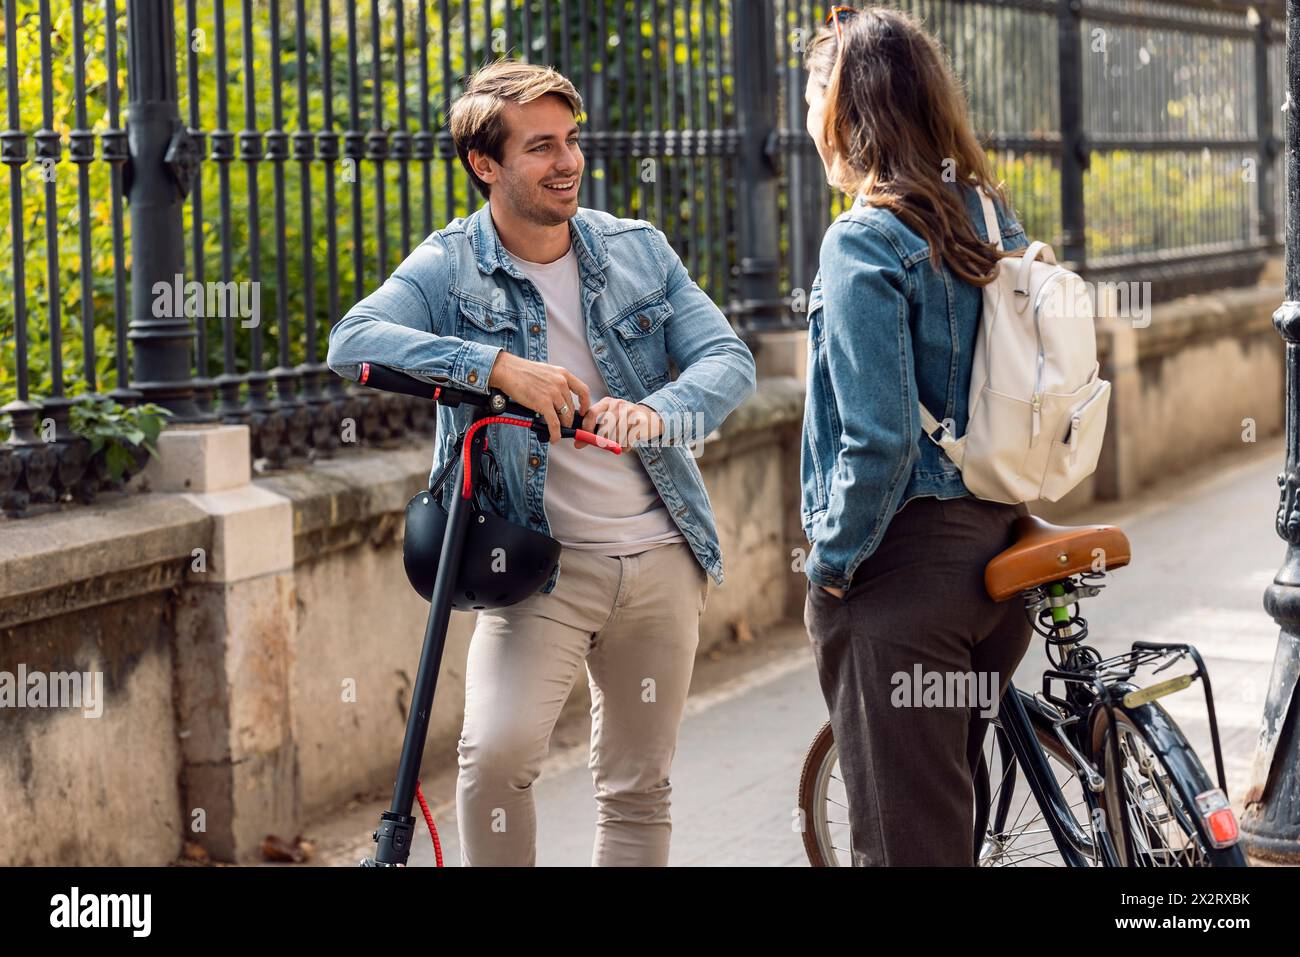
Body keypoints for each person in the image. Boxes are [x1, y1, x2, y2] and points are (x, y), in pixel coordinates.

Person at [327, 59, 755, 866]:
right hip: (535, 567)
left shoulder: (636, 250)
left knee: (637, 786)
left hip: (663, 555)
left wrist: (657, 411)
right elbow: (352, 343)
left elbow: (727, 361)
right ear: (484, 165)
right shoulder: (450, 265)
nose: (567, 163)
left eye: (571, 141)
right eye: (539, 147)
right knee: (493, 761)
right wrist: (492, 366)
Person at [799, 6, 1034, 865]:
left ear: (842, 111)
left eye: (813, 96)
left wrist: (830, 563)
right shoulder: (984, 215)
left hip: (903, 575)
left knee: (906, 847)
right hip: (997, 565)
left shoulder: (864, 239)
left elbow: (881, 441)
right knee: (945, 816)